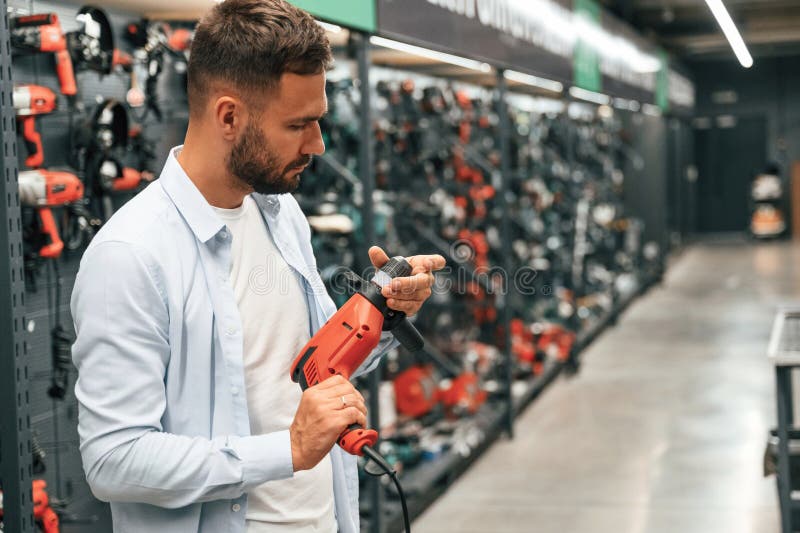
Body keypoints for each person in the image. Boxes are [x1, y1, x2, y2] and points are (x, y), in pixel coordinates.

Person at [69, 1, 444, 532]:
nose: (318, 144)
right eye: (299, 125)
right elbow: (114, 460)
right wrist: (287, 450)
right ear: (229, 117)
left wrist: (379, 316)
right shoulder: (131, 256)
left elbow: (313, 370)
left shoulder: (280, 213)